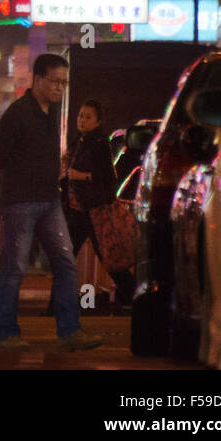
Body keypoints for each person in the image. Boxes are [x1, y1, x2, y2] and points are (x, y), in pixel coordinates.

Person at [0, 53, 103, 351]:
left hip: (49, 201)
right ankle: (8, 333)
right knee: (14, 269)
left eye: (63, 83)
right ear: (38, 79)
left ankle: (70, 332)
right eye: (54, 81)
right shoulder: (17, 113)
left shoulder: (53, 112)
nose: (59, 88)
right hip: (20, 203)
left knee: (66, 264)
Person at [45, 99, 134, 315]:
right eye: (80, 115)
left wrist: (81, 176)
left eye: (88, 117)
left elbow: (107, 179)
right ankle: (55, 307)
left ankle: (135, 298)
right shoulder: (80, 142)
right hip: (77, 211)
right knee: (64, 259)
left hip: (94, 212)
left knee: (110, 260)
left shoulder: (99, 144)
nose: (82, 120)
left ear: (98, 121)